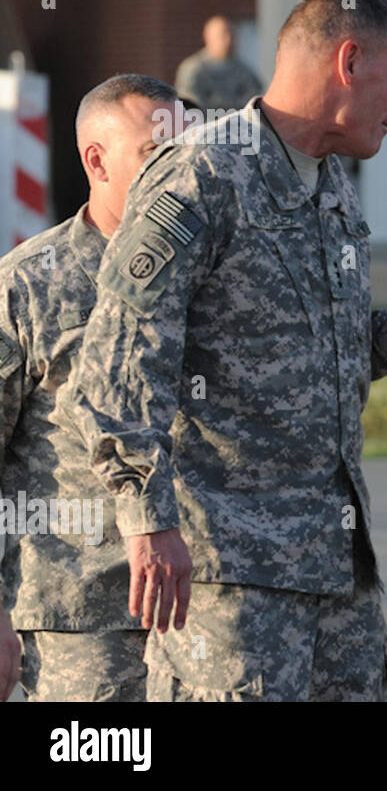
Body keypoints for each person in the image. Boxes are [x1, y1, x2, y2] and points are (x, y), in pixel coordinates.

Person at [65, 0, 387, 701]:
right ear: (347, 62)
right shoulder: (202, 175)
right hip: (231, 580)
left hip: (339, 573)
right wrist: (147, 521)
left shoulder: (333, 183)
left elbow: (285, 345)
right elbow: (117, 365)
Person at [0, 74, 179, 701]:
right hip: (81, 622)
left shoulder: (211, 274)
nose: (177, 179)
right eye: (155, 157)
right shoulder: (28, 284)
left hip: (204, 612)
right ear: (96, 161)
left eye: (184, 156)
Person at [174, 15, 262, 112]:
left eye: (232, 35)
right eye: (222, 35)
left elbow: (254, 101)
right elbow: (189, 105)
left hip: (237, 124)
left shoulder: (243, 71)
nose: (228, 40)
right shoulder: (193, 69)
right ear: (207, 36)